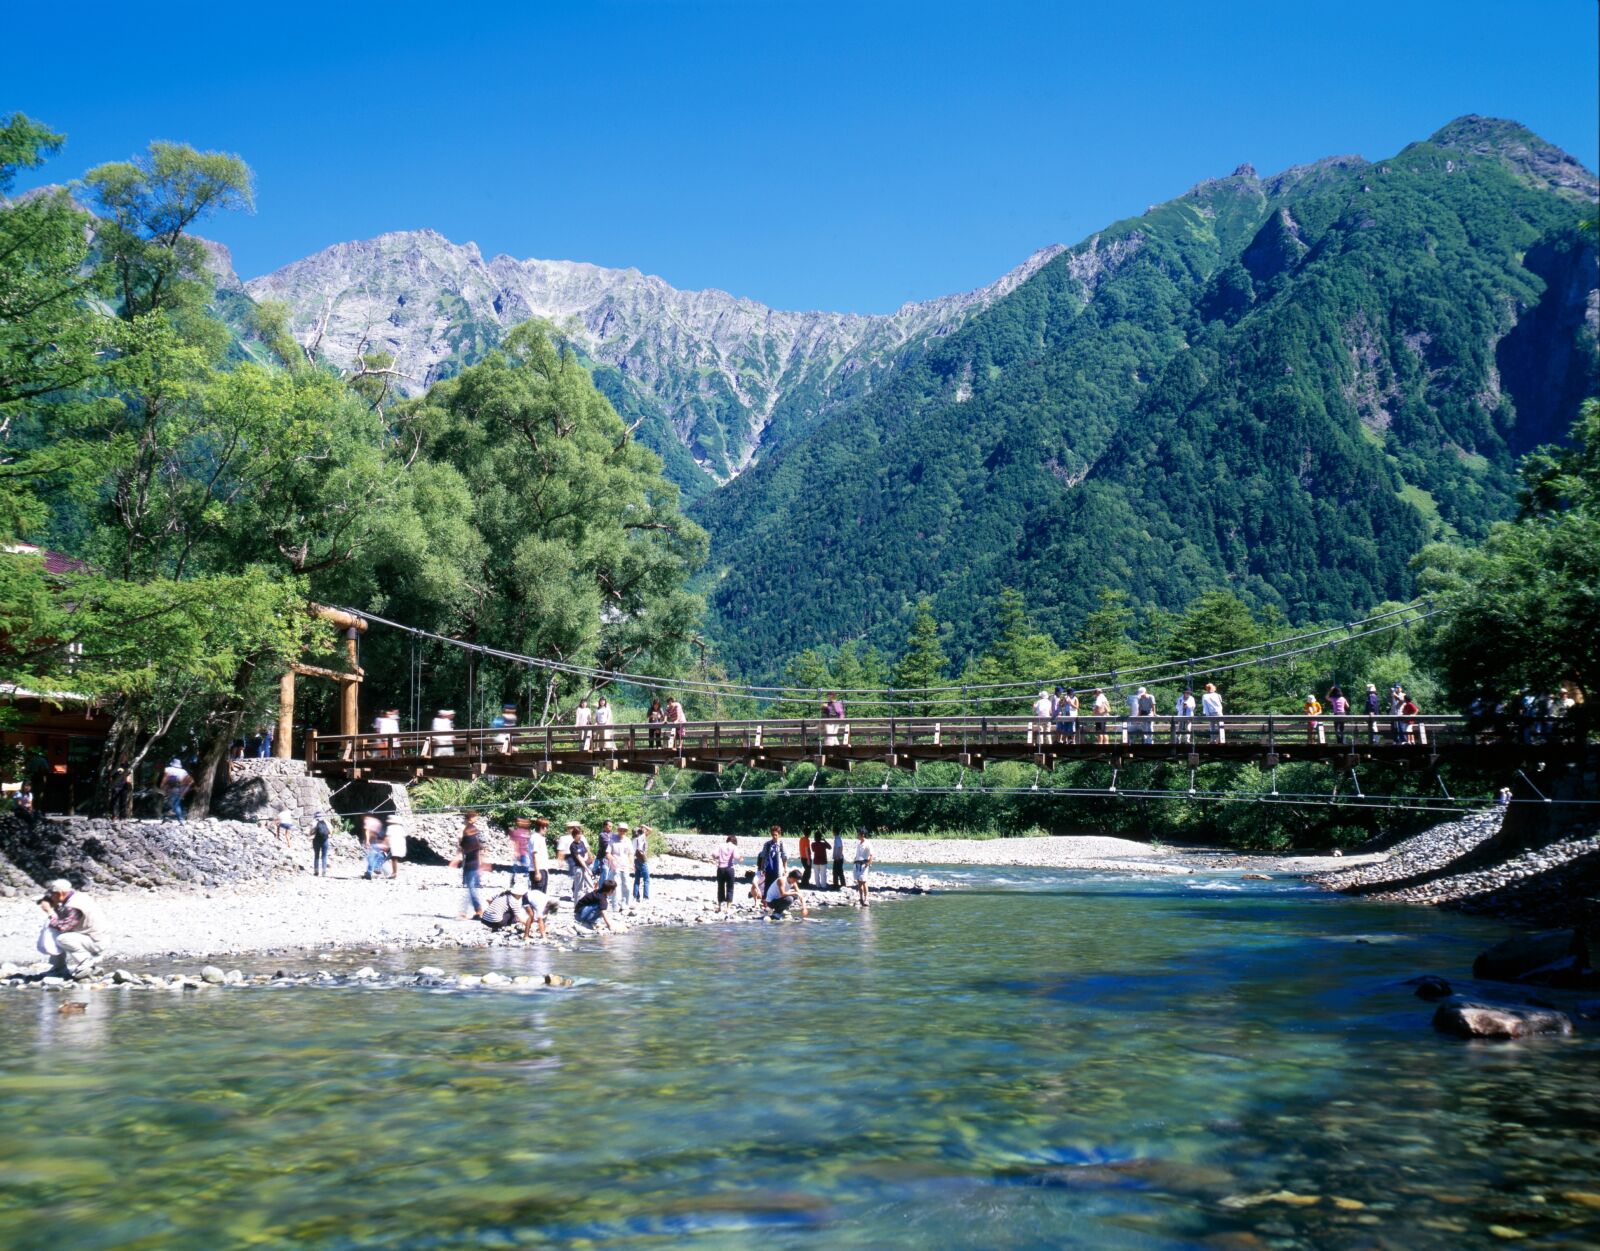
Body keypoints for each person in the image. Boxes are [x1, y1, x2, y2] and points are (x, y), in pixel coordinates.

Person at [37, 879, 102, 978]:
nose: (51, 897)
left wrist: (50, 911)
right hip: (91, 936)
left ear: (61, 893)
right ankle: (58, 966)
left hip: (95, 941)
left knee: (62, 938)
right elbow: (65, 918)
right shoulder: (76, 897)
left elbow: (63, 927)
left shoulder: (74, 905)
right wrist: (54, 907)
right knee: (53, 927)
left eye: (53, 894)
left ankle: (86, 961)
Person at [481, 884, 558, 938]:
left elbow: (488, 900)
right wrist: (530, 927)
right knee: (513, 915)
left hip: (484, 919)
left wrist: (493, 910)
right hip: (495, 922)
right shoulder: (514, 901)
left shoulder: (501, 894)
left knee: (506, 911)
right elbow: (519, 918)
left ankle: (495, 926)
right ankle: (497, 927)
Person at [455, 813, 486, 918]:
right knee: (471, 888)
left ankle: (478, 909)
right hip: (474, 864)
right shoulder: (474, 836)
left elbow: (462, 848)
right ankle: (465, 911)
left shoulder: (468, 834)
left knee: (471, 888)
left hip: (470, 864)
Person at [757, 825, 787, 900]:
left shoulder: (781, 844)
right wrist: (762, 868)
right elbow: (763, 857)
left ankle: (778, 900)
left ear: (779, 835)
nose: (774, 836)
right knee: (767, 885)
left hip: (778, 869)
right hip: (769, 869)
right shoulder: (767, 844)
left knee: (778, 885)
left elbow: (784, 857)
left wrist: (785, 869)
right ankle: (766, 901)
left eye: (776, 835)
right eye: (773, 835)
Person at [566, 823, 594, 900]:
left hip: (585, 866)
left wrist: (587, 858)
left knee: (590, 884)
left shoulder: (581, 842)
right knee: (579, 887)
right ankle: (577, 904)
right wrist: (587, 869)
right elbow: (579, 858)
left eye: (581, 833)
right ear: (574, 835)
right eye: (578, 834)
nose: (580, 835)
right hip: (578, 867)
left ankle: (590, 901)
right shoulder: (573, 846)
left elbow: (585, 852)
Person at [713, 835, 740, 912]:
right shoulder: (734, 847)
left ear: (727, 840)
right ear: (734, 841)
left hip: (720, 868)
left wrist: (720, 857)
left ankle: (720, 907)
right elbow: (736, 856)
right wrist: (740, 858)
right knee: (730, 888)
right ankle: (728, 908)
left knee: (720, 887)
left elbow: (714, 854)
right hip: (729, 869)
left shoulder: (721, 846)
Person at [508, 817, 533, 888]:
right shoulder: (516, 832)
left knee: (527, 869)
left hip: (525, 853)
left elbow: (529, 843)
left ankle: (529, 883)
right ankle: (512, 881)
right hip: (520, 852)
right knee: (515, 868)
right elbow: (515, 843)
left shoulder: (527, 832)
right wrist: (516, 851)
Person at [362, 814, 388, 880]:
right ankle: (377, 868)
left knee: (370, 857)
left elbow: (367, 831)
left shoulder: (368, 820)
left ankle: (369, 873)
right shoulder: (377, 821)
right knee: (378, 856)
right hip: (381, 842)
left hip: (375, 843)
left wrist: (367, 841)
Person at [529, 816, 551, 892]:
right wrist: (537, 872)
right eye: (545, 827)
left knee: (542, 896)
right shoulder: (535, 838)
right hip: (538, 870)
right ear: (541, 827)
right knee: (537, 895)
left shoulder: (540, 838)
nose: (546, 829)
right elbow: (535, 855)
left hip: (542, 869)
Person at [852, 829, 874, 906]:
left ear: (862, 835)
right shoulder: (859, 843)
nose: (857, 835)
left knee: (864, 881)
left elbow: (872, 855)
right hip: (857, 864)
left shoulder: (868, 843)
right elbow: (857, 854)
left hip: (864, 864)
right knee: (859, 882)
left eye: (858, 834)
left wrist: (868, 864)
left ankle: (866, 899)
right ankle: (861, 898)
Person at [632, 823, 651, 903]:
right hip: (642, 860)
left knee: (637, 879)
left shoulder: (632, 840)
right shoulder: (641, 837)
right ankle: (645, 897)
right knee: (646, 879)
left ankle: (636, 896)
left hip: (635, 860)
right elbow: (650, 830)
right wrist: (644, 825)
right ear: (639, 832)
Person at [310, 810, 332, 877]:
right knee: (324, 856)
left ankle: (316, 871)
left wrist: (312, 833)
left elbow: (311, 832)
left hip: (316, 840)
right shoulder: (327, 823)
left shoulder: (314, 823)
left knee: (316, 855)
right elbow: (330, 831)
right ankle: (324, 871)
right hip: (325, 840)